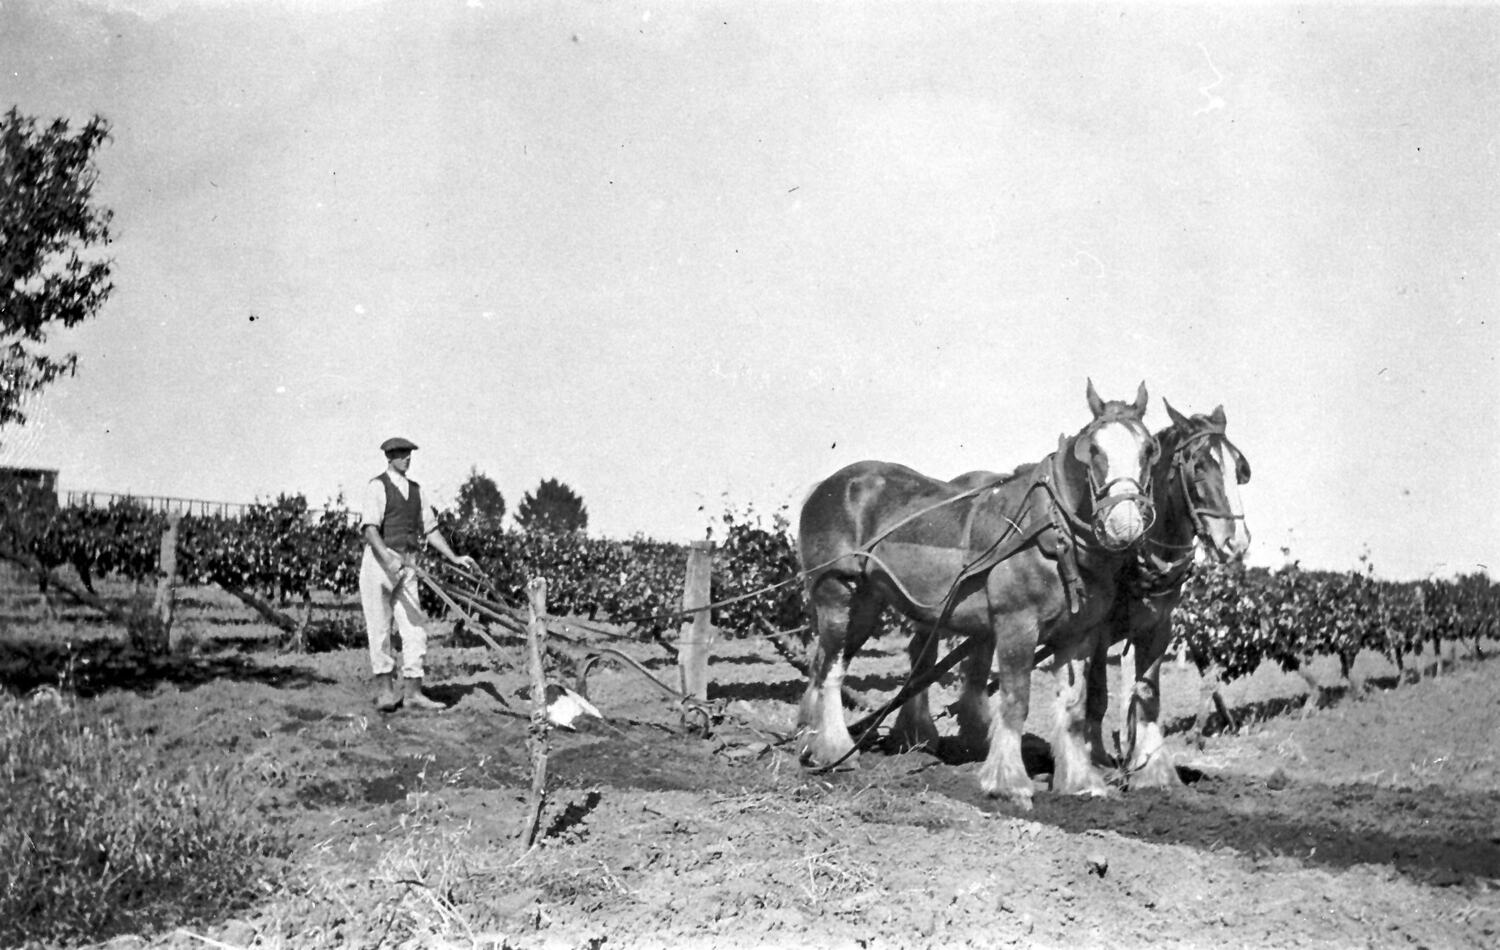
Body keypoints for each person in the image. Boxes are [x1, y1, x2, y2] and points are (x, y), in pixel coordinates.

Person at [359, 436, 478, 712]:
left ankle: (413, 693)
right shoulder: (377, 486)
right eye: (401, 454)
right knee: (380, 629)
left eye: (409, 454)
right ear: (389, 457)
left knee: (414, 629)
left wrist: (454, 557)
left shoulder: (417, 491)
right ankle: (385, 692)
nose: (407, 458)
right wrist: (387, 556)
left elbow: (431, 530)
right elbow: (369, 529)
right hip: (379, 563)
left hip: (408, 564)